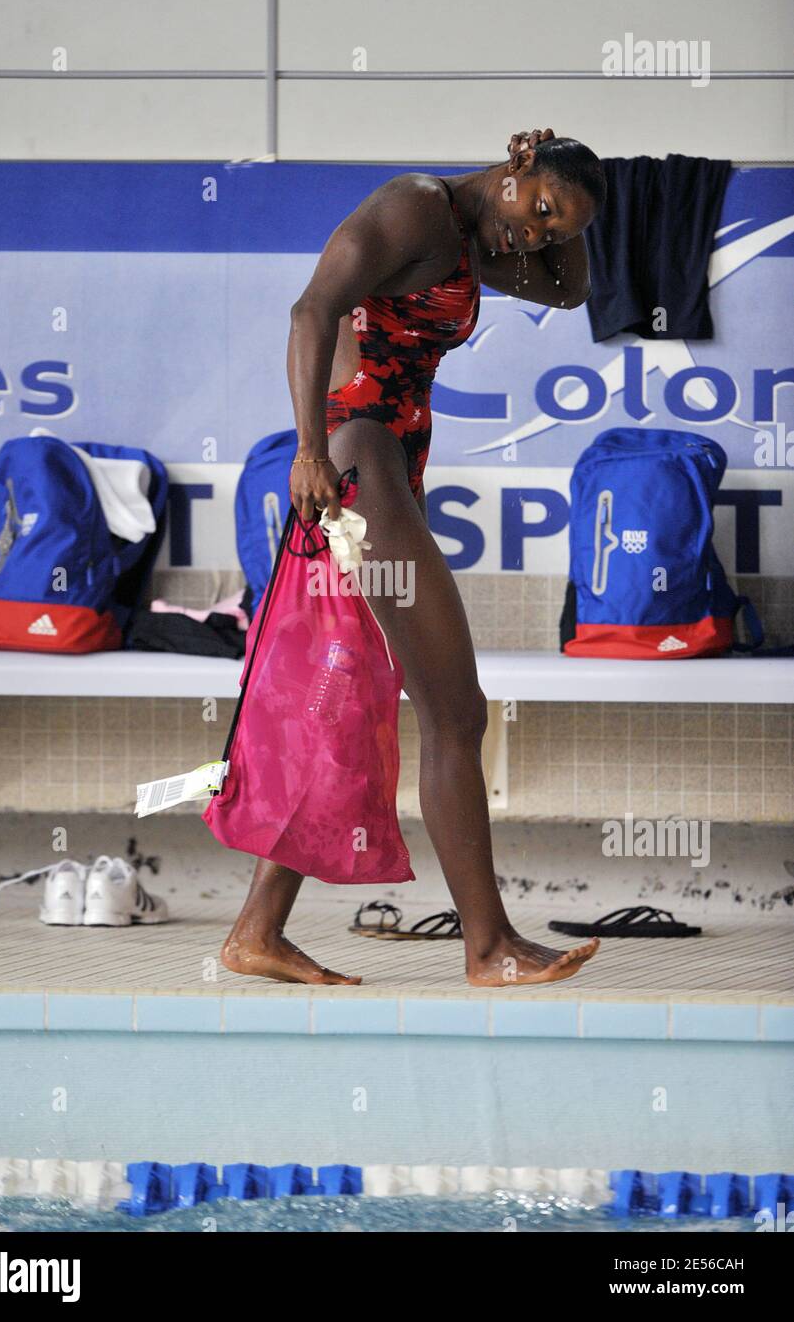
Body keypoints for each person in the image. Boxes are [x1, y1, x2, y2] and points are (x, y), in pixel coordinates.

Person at [223, 129, 606, 988]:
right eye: (536, 208)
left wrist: (557, 218)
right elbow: (310, 310)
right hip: (358, 462)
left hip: (390, 466)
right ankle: (489, 946)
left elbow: (572, 291)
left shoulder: (477, 243)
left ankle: (255, 932)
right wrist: (308, 453)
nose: (536, 237)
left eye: (552, 228)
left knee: (349, 699)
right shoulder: (415, 210)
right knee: (454, 710)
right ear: (513, 165)